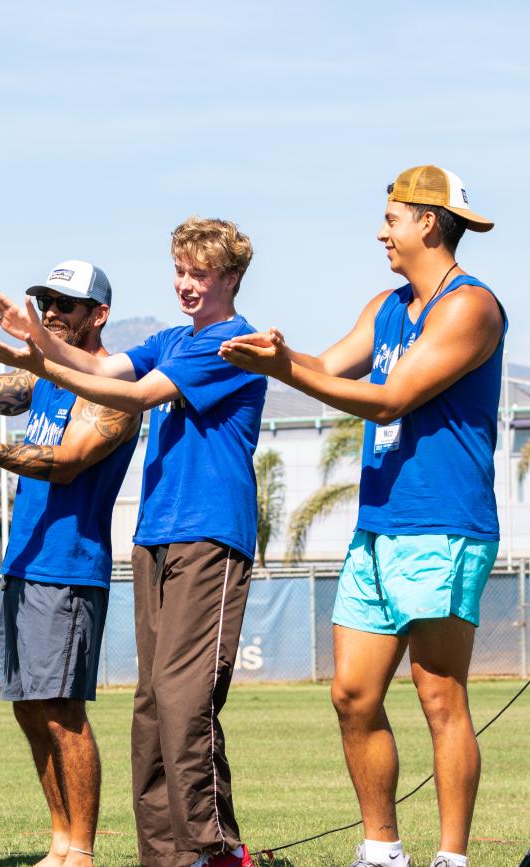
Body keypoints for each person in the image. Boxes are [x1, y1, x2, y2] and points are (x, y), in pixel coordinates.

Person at [220, 165, 502, 867]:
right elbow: (327, 364)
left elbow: (388, 399)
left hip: (444, 523)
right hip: (379, 525)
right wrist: (271, 357)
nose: (382, 231)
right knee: (352, 693)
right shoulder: (387, 305)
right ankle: (382, 848)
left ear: (428, 223)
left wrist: (286, 369)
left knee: (440, 695)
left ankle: (451, 856)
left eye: (393, 218)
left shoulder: (471, 308)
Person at [0, 219, 266, 867]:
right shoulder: (171, 338)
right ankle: (164, 857)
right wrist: (36, 346)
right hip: (155, 536)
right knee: (149, 706)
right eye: (180, 271)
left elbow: (134, 393)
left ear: (230, 279)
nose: (186, 284)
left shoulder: (230, 342)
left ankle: (217, 850)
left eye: (200, 274)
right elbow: (96, 363)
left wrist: (38, 357)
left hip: (211, 535)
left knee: (184, 698)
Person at [0, 260, 140, 867]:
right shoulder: (45, 378)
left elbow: (66, 462)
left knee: (63, 711)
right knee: (28, 708)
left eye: (64, 305)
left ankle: (84, 851)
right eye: (44, 303)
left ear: (98, 315)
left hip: (68, 568)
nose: (50, 314)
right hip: (25, 563)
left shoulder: (114, 392)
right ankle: (60, 841)